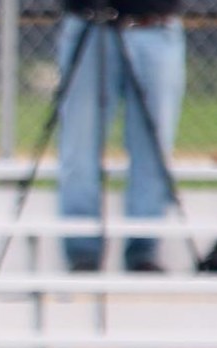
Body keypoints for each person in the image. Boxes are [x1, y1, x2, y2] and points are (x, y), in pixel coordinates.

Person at [55, 0, 185, 273]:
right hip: (89, 23)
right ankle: (82, 252)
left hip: (156, 23)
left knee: (154, 147)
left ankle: (144, 249)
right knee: (79, 144)